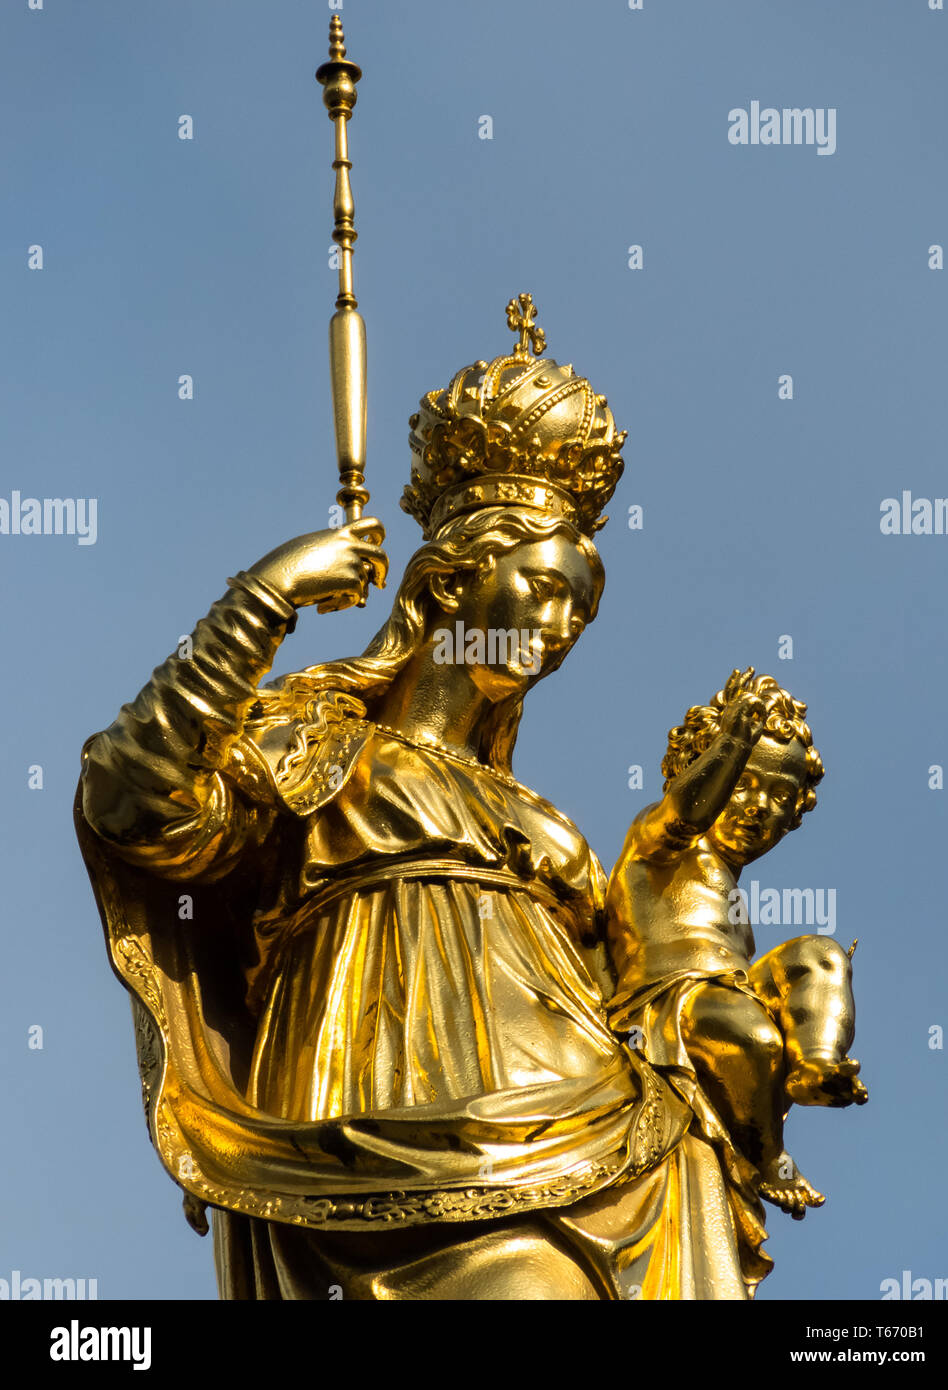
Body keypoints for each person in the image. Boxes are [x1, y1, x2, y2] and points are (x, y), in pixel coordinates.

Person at [75, 299, 777, 1298]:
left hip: (591, 1132)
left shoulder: (550, 830)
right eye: (540, 586)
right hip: (366, 1127)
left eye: (585, 604)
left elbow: (655, 987)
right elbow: (132, 802)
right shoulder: (321, 744)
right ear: (450, 583)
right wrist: (266, 595)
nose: (562, 624)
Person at [606, 668, 868, 1222]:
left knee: (822, 954)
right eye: (742, 782)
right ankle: (768, 1155)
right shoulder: (656, 842)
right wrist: (733, 742)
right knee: (747, 1032)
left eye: (780, 797)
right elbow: (685, 815)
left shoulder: (734, 901)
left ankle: (815, 1063)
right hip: (668, 997)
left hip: (731, 988)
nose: (758, 808)